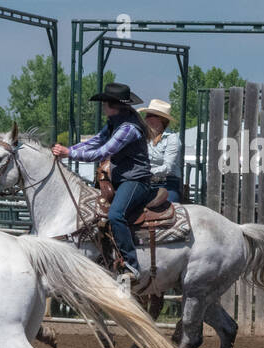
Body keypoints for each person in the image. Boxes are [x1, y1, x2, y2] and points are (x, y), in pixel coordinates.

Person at [52, 82, 153, 287]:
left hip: (136, 180)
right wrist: (68, 150)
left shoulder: (128, 129)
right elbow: (94, 142)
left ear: (112, 105)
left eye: (104, 103)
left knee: (116, 214)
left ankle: (132, 265)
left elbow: (102, 152)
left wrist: (69, 153)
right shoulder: (115, 123)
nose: (103, 107)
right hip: (121, 180)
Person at [140, 98, 184, 202]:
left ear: (161, 119)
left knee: (168, 207)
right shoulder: (143, 137)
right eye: (146, 115)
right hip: (145, 182)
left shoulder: (172, 138)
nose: (146, 119)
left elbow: (168, 168)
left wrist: (144, 172)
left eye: (150, 115)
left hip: (168, 184)